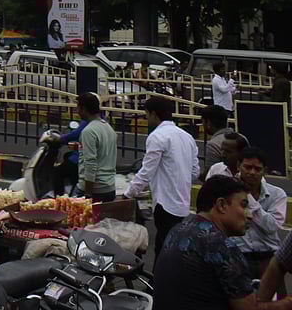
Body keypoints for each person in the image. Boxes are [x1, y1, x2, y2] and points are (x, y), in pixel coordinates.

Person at [155, 175, 292, 310]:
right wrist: (284, 304)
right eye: (243, 205)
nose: (249, 215)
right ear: (221, 205)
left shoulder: (178, 230)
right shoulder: (220, 246)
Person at [124, 95, 199, 255]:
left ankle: (159, 279)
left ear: (154, 114)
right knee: (173, 247)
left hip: (165, 203)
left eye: (147, 113)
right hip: (182, 203)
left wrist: (128, 194)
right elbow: (194, 172)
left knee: (163, 249)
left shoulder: (158, 136)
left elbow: (146, 171)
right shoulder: (187, 137)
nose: (146, 117)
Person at [236, 147, 287, 279]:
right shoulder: (228, 192)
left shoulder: (277, 194)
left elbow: (271, 226)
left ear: (265, 171)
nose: (252, 172)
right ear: (238, 166)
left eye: (257, 169)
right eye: (247, 167)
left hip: (269, 258)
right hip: (238, 257)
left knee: (276, 299)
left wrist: (248, 196)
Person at [76, 92, 117, 202]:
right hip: (109, 187)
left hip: (94, 190)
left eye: (78, 108)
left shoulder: (88, 131)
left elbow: (90, 163)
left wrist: (88, 195)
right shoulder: (108, 128)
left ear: (83, 108)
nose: (77, 112)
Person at [201, 103, 234, 180]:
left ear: (208, 123)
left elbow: (209, 174)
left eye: (202, 122)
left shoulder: (213, 145)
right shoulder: (242, 137)